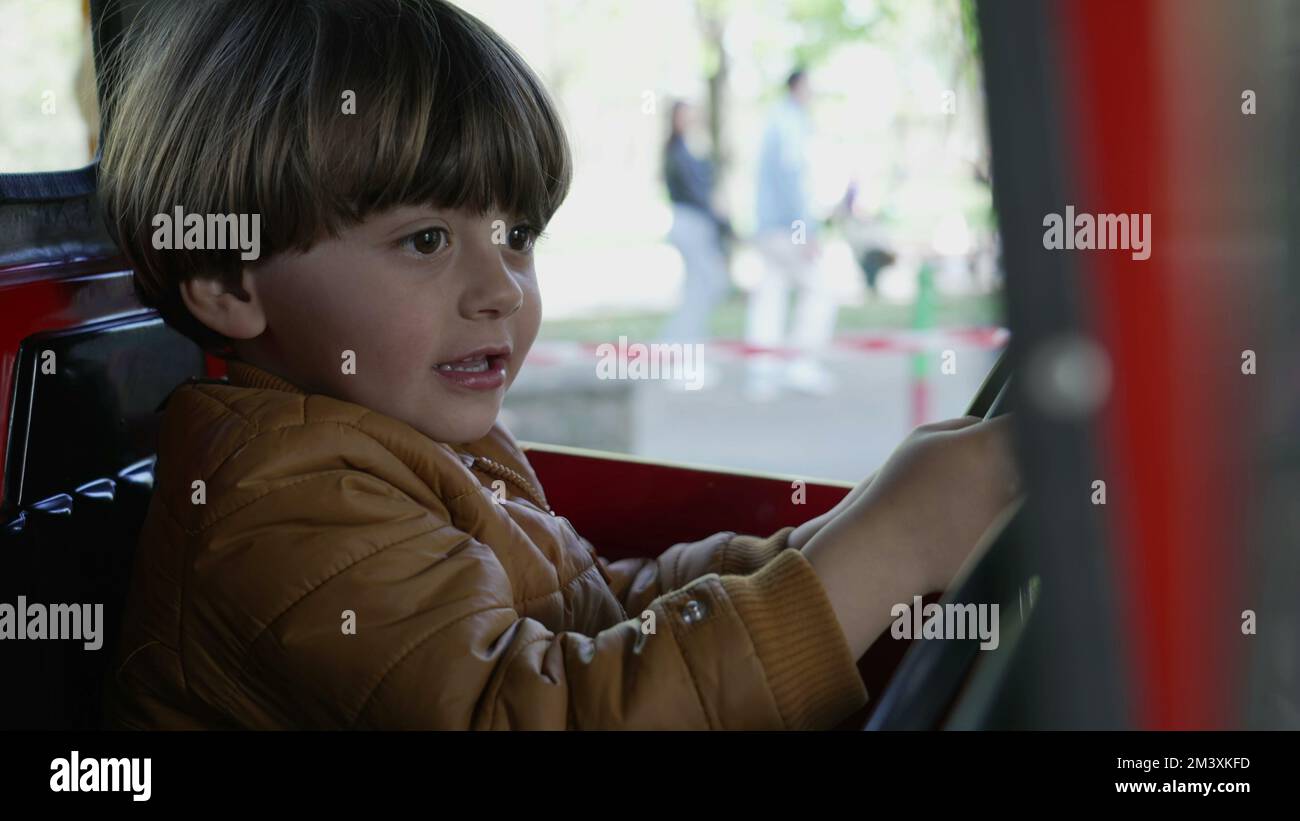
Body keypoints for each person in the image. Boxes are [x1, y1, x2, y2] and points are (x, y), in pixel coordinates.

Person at [99, 0, 1020, 730]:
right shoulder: (278, 511)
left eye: (519, 236)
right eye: (425, 239)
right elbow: (540, 712)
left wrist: (832, 544)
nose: (500, 286)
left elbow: (590, 610)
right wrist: (892, 547)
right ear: (227, 279)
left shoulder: (409, 439)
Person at [746, 68, 840, 400]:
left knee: (770, 294)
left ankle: (762, 374)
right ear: (799, 86)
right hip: (787, 229)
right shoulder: (790, 123)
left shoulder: (775, 120)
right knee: (820, 292)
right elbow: (793, 180)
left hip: (768, 226)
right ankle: (800, 366)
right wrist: (806, 231)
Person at [659, 100, 731, 348]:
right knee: (702, 288)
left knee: (702, 288)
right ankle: (679, 349)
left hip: (695, 223)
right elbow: (696, 193)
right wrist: (720, 217)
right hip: (690, 223)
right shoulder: (677, 152)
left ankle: (682, 347)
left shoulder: (689, 149)